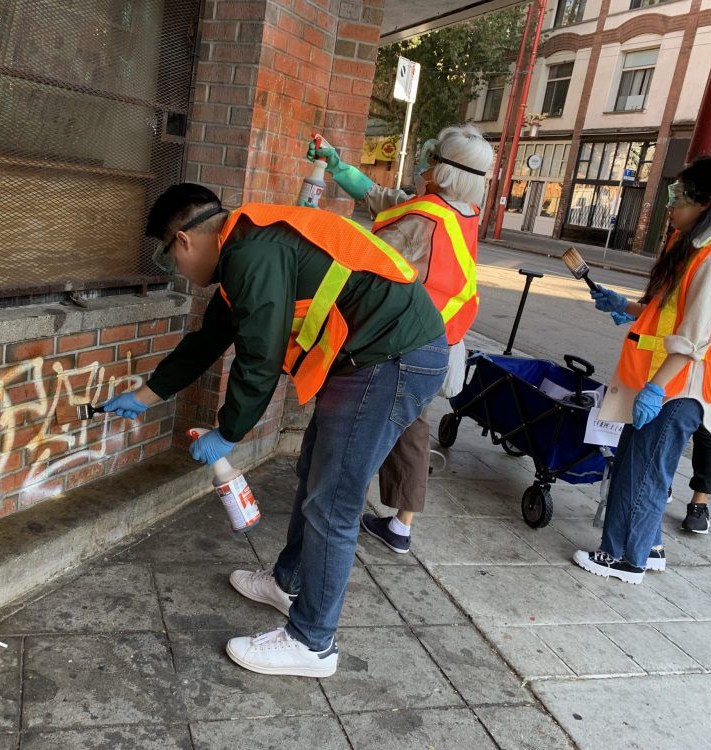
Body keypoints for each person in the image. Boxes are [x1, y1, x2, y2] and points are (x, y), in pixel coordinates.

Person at [102, 183, 448, 676]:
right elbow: (209, 341)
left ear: (183, 241)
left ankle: (313, 644)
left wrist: (228, 432)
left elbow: (259, 359)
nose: (177, 269)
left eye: (170, 258)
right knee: (315, 478)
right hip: (372, 357)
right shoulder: (243, 248)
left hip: (392, 358)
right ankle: (288, 582)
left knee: (333, 503)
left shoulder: (252, 254)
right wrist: (144, 396)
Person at [305, 124, 494, 553]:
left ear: (443, 169)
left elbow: (363, 260)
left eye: (432, 155)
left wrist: (316, 228)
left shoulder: (425, 219)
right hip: (439, 339)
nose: (424, 160)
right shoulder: (458, 209)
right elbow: (380, 197)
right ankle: (401, 525)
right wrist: (337, 166)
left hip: (405, 344)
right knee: (411, 427)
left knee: (384, 428)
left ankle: (347, 519)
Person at [573, 157, 711, 584]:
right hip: (670, 381)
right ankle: (649, 545)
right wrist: (626, 306)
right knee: (644, 465)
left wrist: (655, 389)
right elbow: (670, 312)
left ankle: (624, 558)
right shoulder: (698, 247)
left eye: (679, 196)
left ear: (705, 202)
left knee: (642, 470)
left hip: (679, 386)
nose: (670, 205)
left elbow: (693, 339)